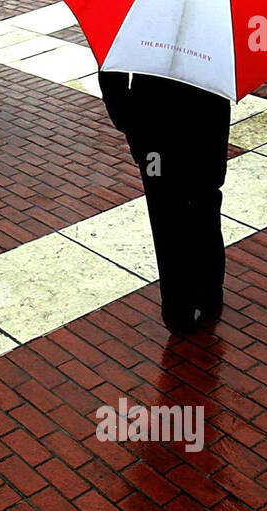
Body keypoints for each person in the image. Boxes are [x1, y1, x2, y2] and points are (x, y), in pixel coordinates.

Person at [99, 71, 231, 334]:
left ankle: (185, 305)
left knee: (171, 216)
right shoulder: (218, 30)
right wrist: (133, 124)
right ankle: (202, 295)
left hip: (161, 132)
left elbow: (111, 77)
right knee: (196, 209)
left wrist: (132, 123)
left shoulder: (139, 28)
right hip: (194, 129)